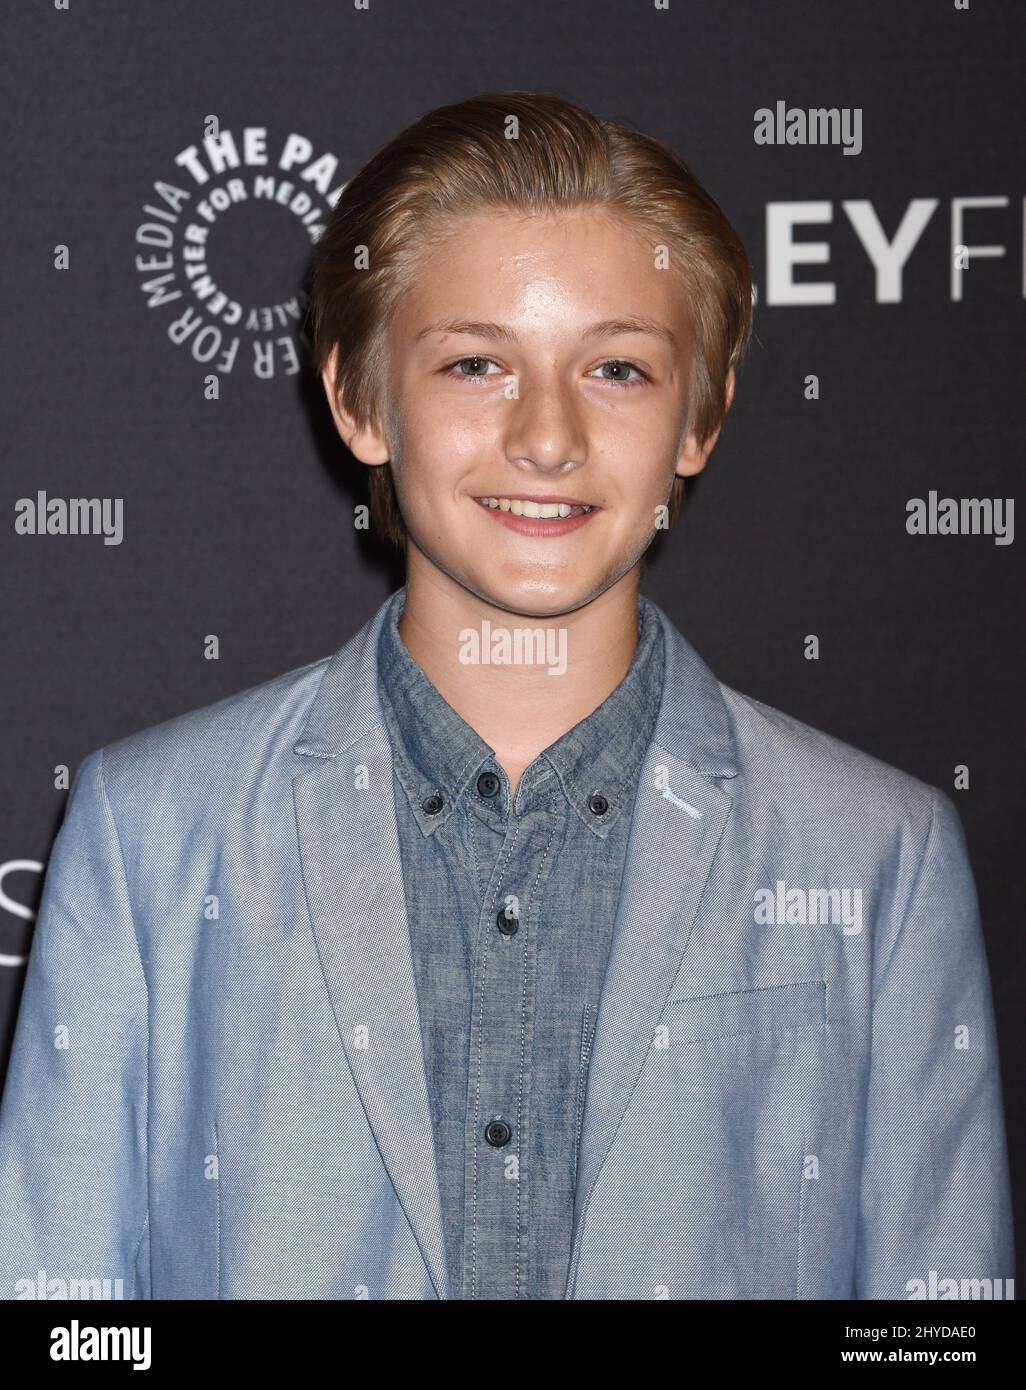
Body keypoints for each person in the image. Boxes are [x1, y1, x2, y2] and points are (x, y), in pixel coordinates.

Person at [0, 91, 1012, 1300]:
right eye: (477, 362)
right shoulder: (148, 832)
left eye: (619, 367)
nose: (547, 435)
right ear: (360, 399)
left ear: (704, 415)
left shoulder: (876, 855)